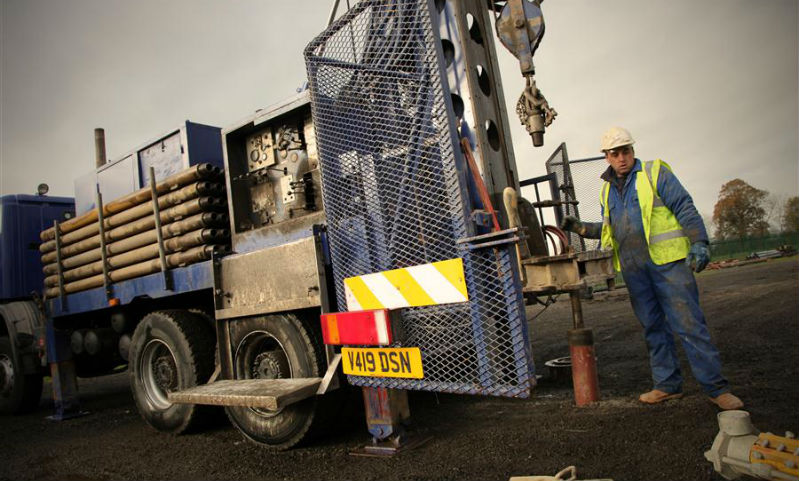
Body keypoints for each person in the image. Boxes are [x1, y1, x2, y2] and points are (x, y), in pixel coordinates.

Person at [561, 126, 743, 410]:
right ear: (606, 157)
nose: (622, 158)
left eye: (626, 151)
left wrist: (699, 241)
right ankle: (667, 385)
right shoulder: (606, 191)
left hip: (668, 265)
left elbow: (684, 206)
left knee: (689, 325)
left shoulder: (654, 173)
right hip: (635, 271)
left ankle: (717, 389)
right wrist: (582, 228)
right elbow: (611, 228)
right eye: (615, 153)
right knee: (653, 328)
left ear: (632, 151)